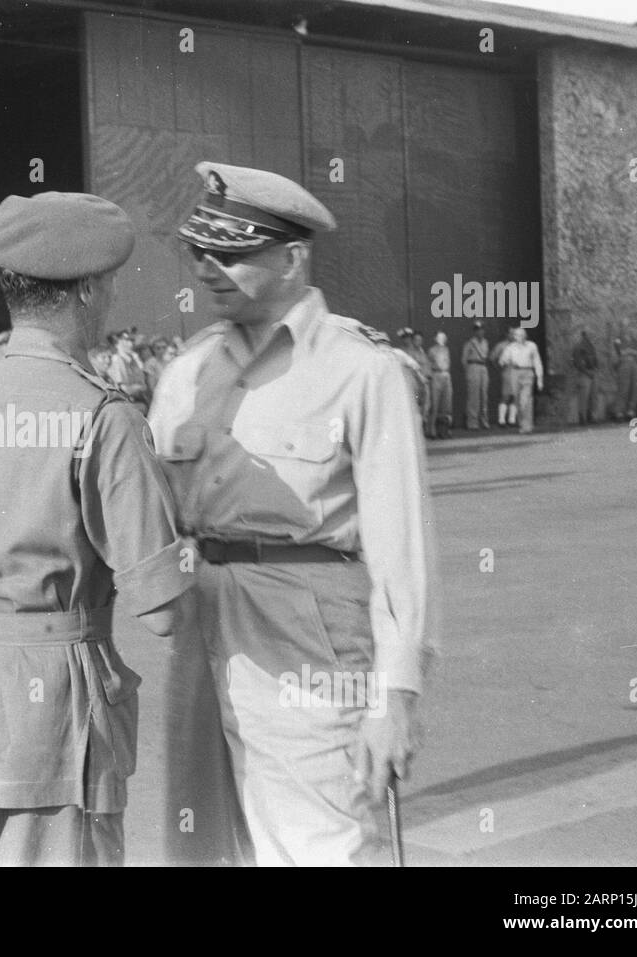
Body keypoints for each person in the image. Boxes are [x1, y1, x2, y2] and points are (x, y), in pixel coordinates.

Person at [152, 162, 437, 866]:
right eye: (201, 253)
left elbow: (402, 546)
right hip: (201, 623)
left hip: (308, 631)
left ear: (292, 257)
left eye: (232, 253)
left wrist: (395, 697)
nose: (209, 269)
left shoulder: (362, 370)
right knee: (205, 842)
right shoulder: (188, 370)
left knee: (320, 842)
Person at [0, 191, 190, 867]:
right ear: (87, 291)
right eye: (109, 285)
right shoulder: (105, 418)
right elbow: (165, 612)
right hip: (60, 713)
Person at [499, 325, 544, 434]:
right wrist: (504, 361)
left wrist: (539, 379)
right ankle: (523, 424)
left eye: (521, 335)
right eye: (517, 335)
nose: (519, 337)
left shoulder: (531, 346)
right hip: (515, 373)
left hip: (528, 372)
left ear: (525, 336)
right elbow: (502, 360)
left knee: (526, 399)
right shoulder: (510, 347)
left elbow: (537, 362)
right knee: (518, 401)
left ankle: (528, 426)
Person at [107, 329, 150, 413]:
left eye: (132, 340)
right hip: (125, 405)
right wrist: (139, 387)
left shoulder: (133, 360)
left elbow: (143, 383)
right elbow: (125, 390)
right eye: (126, 341)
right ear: (117, 343)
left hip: (138, 402)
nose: (130, 344)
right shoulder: (117, 360)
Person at [461, 322, 490, 430]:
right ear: (474, 331)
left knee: (484, 395)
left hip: (483, 367)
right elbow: (464, 359)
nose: (480, 331)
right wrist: (468, 372)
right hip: (473, 366)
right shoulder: (469, 343)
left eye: (482, 329)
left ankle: (484, 421)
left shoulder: (485, 342)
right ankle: (472, 422)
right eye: (477, 329)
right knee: (474, 396)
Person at [426, 331, 453, 439]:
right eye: (439, 337)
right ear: (435, 339)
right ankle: (431, 430)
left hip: (445, 375)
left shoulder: (446, 349)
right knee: (435, 404)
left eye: (443, 337)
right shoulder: (432, 350)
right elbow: (429, 364)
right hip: (436, 375)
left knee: (446, 404)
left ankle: (444, 430)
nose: (442, 339)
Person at [615, 334, 637, 420]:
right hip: (625, 364)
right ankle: (619, 412)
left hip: (634, 364)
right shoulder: (619, 338)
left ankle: (630, 411)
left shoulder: (635, 340)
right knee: (624, 388)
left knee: (634, 388)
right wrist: (631, 352)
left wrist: (630, 351)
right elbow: (620, 352)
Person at [490, 328, 516, 428]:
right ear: (507, 334)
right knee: (505, 396)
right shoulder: (501, 345)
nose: (513, 336)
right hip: (507, 371)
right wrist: (498, 369)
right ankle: (501, 420)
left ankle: (512, 420)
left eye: (514, 334)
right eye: (511, 334)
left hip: (517, 372)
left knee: (514, 396)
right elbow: (492, 358)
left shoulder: (518, 346)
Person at [571, 330, 599, 425]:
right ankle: (582, 418)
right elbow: (578, 363)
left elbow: (595, 359)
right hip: (583, 373)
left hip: (593, 372)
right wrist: (587, 372)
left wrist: (595, 369)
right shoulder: (578, 347)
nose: (591, 336)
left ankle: (592, 416)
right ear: (584, 335)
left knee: (594, 396)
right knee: (584, 396)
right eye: (589, 334)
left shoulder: (591, 346)